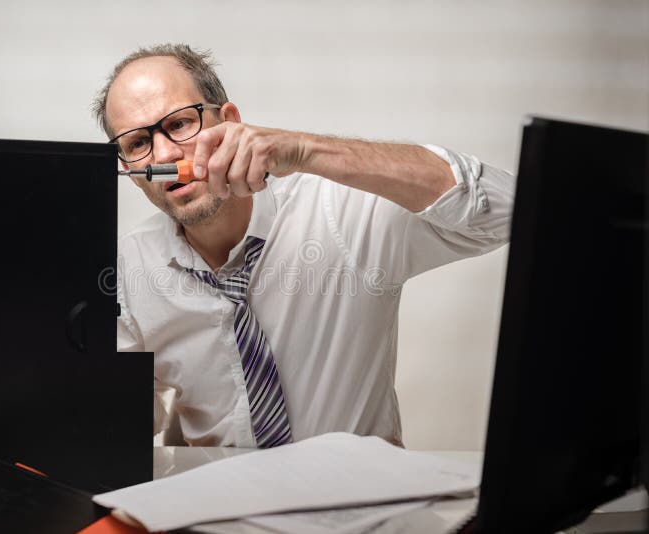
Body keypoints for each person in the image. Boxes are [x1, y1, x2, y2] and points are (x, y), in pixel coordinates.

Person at [97, 43, 514, 448]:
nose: (165, 153)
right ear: (128, 170)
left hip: (352, 505)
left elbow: (506, 211)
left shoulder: (340, 213)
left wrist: (305, 149)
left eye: (179, 124)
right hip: (217, 504)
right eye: (137, 143)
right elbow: (114, 420)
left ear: (230, 121)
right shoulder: (128, 267)